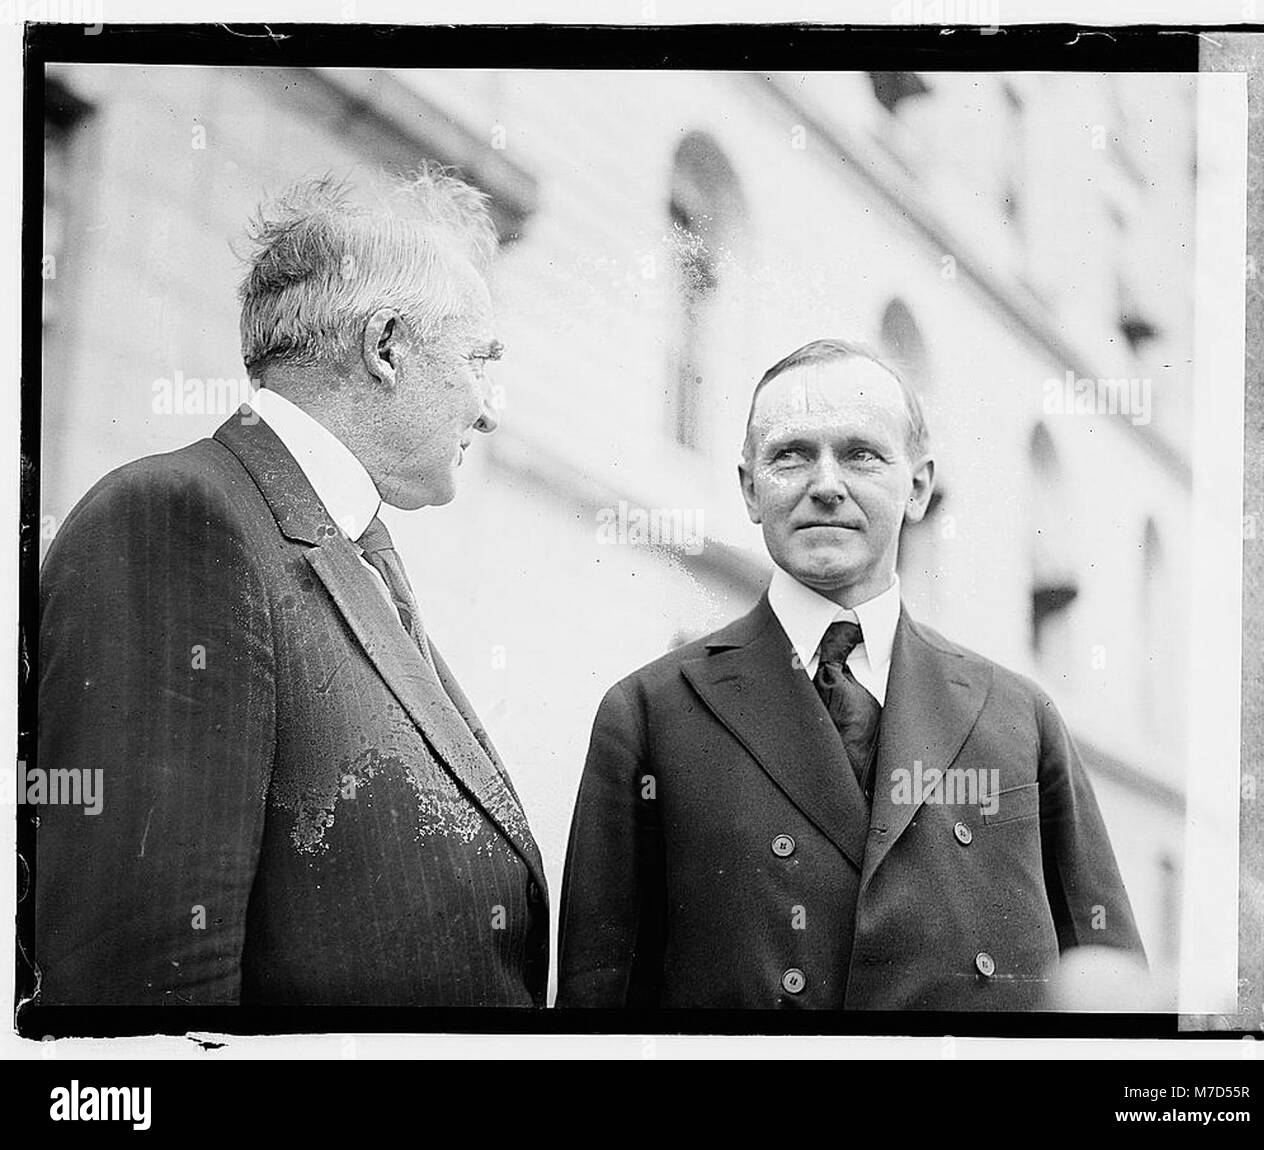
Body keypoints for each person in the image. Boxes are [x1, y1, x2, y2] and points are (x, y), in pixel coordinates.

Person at [34, 168, 548, 1007]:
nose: (490, 409)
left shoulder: (354, 546)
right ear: (387, 347)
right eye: (479, 360)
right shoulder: (181, 521)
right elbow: (143, 990)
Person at [558, 338, 1144, 1010]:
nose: (826, 484)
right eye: (790, 455)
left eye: (861, 454)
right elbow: (594, 1010)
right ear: (750, 489)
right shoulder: (650, 714)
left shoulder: (1019, 718)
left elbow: (1110, 994)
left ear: (919, 487)